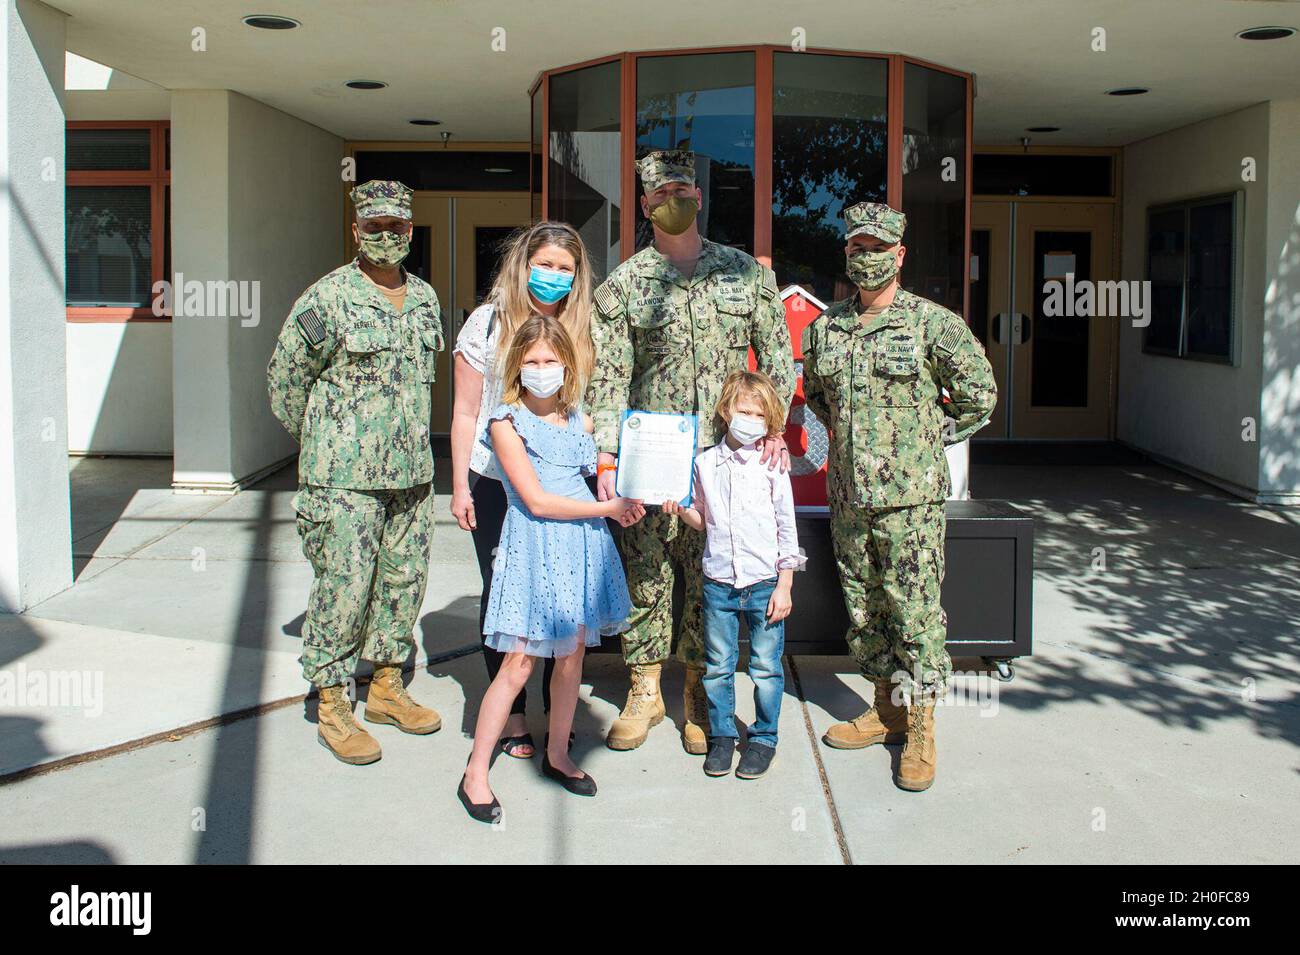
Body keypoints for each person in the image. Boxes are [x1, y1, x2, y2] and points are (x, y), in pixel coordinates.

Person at [589, 149, 796, 755]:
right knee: (648, 571)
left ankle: (702, 693)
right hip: (651, 462)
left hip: (728, 462)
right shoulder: (626, 284)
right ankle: (645, 687)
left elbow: (778, 357)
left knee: (714, 577)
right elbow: (609, 378)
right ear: (645, 204)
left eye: (682, 188)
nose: (672, 200)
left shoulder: (746, 275)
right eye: (659, 193)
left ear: (699, 197)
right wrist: (607, 460)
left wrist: (776, 428)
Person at [801, 202, 997, 792]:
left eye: (877, 249)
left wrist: (921, 441)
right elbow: (817, 396)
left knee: (914, 616)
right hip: (849, 499)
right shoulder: (825, 328)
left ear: (900, 255)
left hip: (909, 502)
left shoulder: (933, 325)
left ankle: (921, 725)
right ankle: (885, 708)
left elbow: (978, 396)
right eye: (857, 249)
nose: (867, 259)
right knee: (864, 612)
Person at [267, 179, 444, 766]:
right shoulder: (326, 300)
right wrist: (328, 444)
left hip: (411, 476)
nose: (386, 237)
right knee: (343, 591)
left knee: (402, 583)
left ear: (410, 232)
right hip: (342, 480)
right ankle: (334, 702)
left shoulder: (424, 298)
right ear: (356, 230)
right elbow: (285, 384)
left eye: (396, 228)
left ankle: (388, 688)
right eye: (375, 227)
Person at [459, 315, 645, 823]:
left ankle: (558, 753)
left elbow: (591, 481)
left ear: (567, 363)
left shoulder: (580, 420)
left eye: (551, 360)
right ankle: (476, 771)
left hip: (583, 546)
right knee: (519, 663)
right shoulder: (505, 422)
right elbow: (538, 501)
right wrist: (607, 509)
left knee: (572, 657)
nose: (543, 369)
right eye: (532, 361)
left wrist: (623, 500)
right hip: (538, 547)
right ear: (517, 366)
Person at [450, 222, 596, 759]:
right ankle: (511, 716)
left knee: (565, 597)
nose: (554, 276)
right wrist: (461, 484)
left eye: (565, 268)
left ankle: (558, 716)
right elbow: (466, 411)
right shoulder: (486, 324)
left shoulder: (583, 327)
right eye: (546, 264)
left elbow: (591, 412)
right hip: (496, 481)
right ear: (524, 263)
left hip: (563, 480)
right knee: (506, 592)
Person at [663, 370, 805, 779]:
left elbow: (786, 525)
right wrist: (679, 508)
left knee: (765, 666)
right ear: (726, 411)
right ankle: (723, 736)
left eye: (759, 414)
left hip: (764, 584)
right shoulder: (705, 463)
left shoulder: (773, 464)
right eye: (744, 411)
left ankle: (763, 738)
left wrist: (785, 584)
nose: (750, 420)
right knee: (719, 664)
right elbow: (702, 518)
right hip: (720, 583)